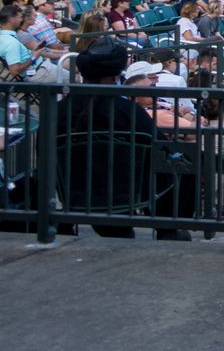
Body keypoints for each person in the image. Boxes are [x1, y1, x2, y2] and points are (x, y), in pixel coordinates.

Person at [55, 39, 159, 237]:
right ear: (115, 75)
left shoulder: (59, 111)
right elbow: (158, 147)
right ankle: (167, 229)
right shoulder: (129, 111)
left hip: (71, 191)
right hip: (122, 194)